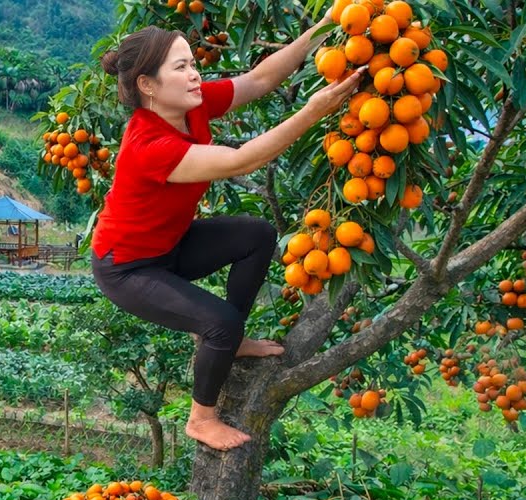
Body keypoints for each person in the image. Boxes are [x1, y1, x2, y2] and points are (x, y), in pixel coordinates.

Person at [91, 24, 363, 451]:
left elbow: (259, 79)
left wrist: (325, 26)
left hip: (170, 246)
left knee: (256, 234)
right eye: (181, 67)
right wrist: (314, 111)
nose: (195, 74)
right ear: (148, 85)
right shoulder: (149, 144)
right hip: (126, 268)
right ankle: (201, 418)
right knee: (221, 321)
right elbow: (243, 159)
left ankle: (229, 344)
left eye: (194, 64)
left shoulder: (190, 106)